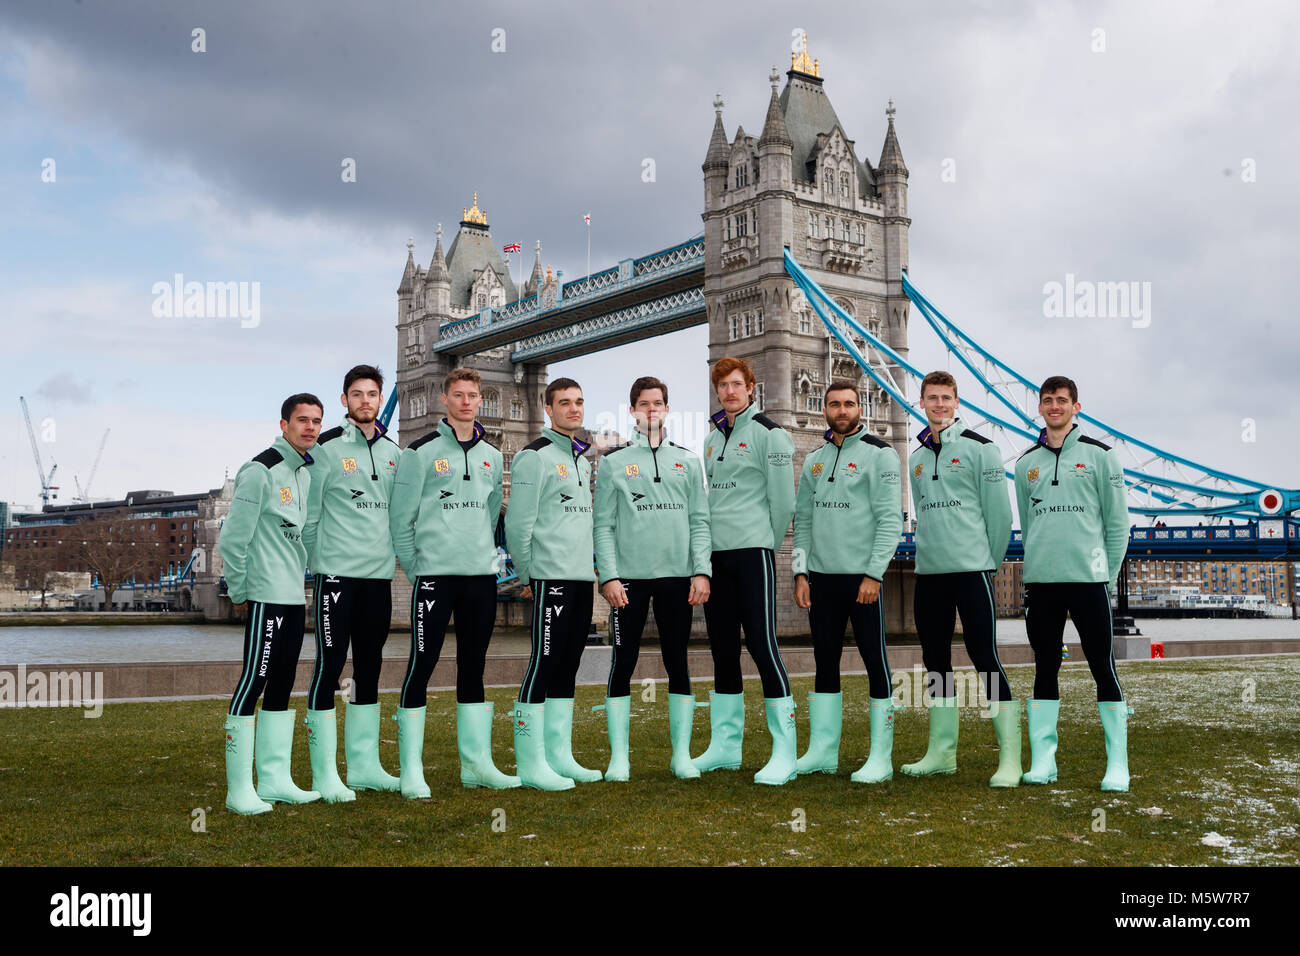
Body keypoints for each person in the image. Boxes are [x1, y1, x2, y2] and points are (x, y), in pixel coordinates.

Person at [388, 368, 517, 797]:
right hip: (435, 577)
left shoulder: (492, 455)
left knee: (474, 667)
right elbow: (400, 517)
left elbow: (491, 512)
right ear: (444, 399)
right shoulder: (419, 452)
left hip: (480, 576)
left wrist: (490, 560)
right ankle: (411, 771)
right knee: (421, 665)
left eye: (473, 395)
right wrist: (415, 566)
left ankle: (476, 766)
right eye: (458, 395)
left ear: (480, 400)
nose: (466, 401)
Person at [902, 371, 1020, 788]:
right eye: (931, 397)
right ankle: (941, 753)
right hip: (930, 573)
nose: (939, 404)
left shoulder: (981, 450)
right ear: (921, 402)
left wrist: (987, 564)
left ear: (957, 402)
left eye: (946, 398)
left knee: (984, 658)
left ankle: (1010, 759)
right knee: (936, 662)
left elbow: (1000, 517)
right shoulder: (915, 457)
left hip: (972, 572)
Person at [1014, 375, 1130, 791]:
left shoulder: (1102, 457)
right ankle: (1044, 761)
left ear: (1076, 407)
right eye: (1047, 401)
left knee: (1103, 667)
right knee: (1045, 668)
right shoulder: (1025, 463)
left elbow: (1118, 525)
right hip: (1043, 583)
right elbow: (1029, 527)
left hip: (1089, 581)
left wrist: (1106, 577)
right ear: (1040, 408)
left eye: (1062, 400)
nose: (1054, 407)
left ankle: (1117, 764)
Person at [593, 376, 711, 781]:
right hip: (628, 580)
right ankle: (619, 759)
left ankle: (681, 756)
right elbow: (603, 526)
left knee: (677, 660)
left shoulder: (689, 462)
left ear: (667, 409)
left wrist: (701, 570)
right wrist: (608, 576)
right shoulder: (612, 464)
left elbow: (700, 521)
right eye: (643, 404)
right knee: (622, 661)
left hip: (677, 578)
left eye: (658, 403)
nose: (651, 410)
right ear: (632, 411)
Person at [695, 357, 798, 786]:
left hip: (753, 553)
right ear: (718, 392)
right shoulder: (710, 439)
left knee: (761, 645)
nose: (730, 392)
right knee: (722, 649)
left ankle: (785, 751)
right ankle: (725, 747)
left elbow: (784, 505)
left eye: (737, 384)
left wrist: (764, 545)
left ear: (751, 388)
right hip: (717, 557)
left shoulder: (771, 436)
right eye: (723, 386)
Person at [792, 381, 902, 782]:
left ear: (861, 407)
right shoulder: (814, 460)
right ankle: (823, 751)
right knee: (825, 661)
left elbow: (891, 519)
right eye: (834, 404)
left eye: (849, 404)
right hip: (821, 578)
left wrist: (874, 573)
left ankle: (880, 757)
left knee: (875, 660)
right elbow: (802, 520)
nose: (842, 410)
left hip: (862, 579)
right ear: (825, 409)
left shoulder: (882, 455)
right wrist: (800, 571)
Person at [299, 365, 401, 803]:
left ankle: (363, 767)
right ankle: (324, 773)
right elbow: (308, 515)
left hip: (378, 579)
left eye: (372, 394)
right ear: (344, 400)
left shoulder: (396, 452)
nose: (365, 401)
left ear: (380, 400)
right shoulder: (325, 448)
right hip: (337, 576)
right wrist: (321, 563)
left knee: (370, 667)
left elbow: (399, 516)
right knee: (330, 665)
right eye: (356, 394)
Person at [219, 393, 323, 814]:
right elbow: (232, 538)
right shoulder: (260, 471)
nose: (311, 428)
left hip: (293, 597)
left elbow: (302, 537)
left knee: (282, 685)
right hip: (265, 595)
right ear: (284, 425)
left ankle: (277, 780)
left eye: (317, 421)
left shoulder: (306, 474)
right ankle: (239, 789)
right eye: (302, 420)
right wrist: (242, 591)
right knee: (253, 684)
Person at [505, 377, 601, 790]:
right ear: (549, 409)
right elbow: (518, 523)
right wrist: (528, 574)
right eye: (565, 403)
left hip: (582, 577)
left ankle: (560, 756)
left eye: (579, 402)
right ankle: (530, 763)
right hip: (551, 576)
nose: (574, 409)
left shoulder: (581, 458)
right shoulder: (534, 457)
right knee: (543, 663)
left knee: (569, 665)